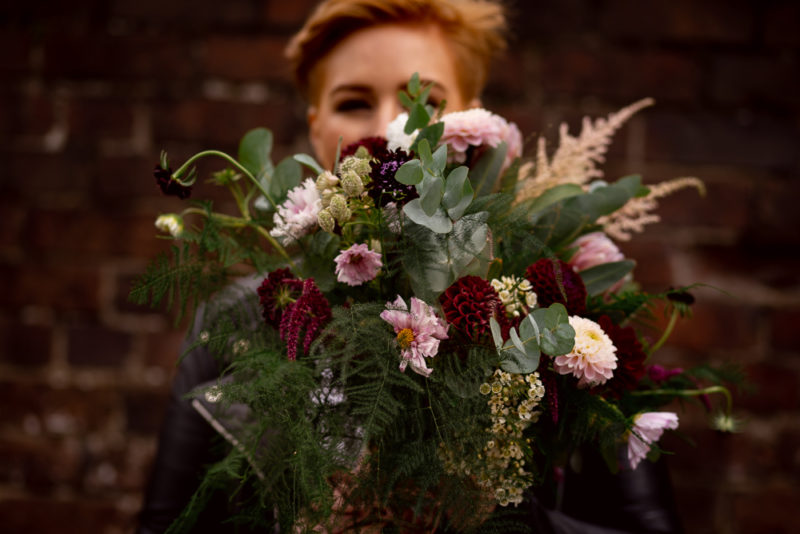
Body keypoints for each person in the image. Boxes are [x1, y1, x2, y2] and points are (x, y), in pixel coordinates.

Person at [137, 1, 684, 532]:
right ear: (314, 127)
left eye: (422, 104)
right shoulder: (235, 322)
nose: (393, 130)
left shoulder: (562, 320)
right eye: (353, 102)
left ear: (474, 120)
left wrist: (499, 517)